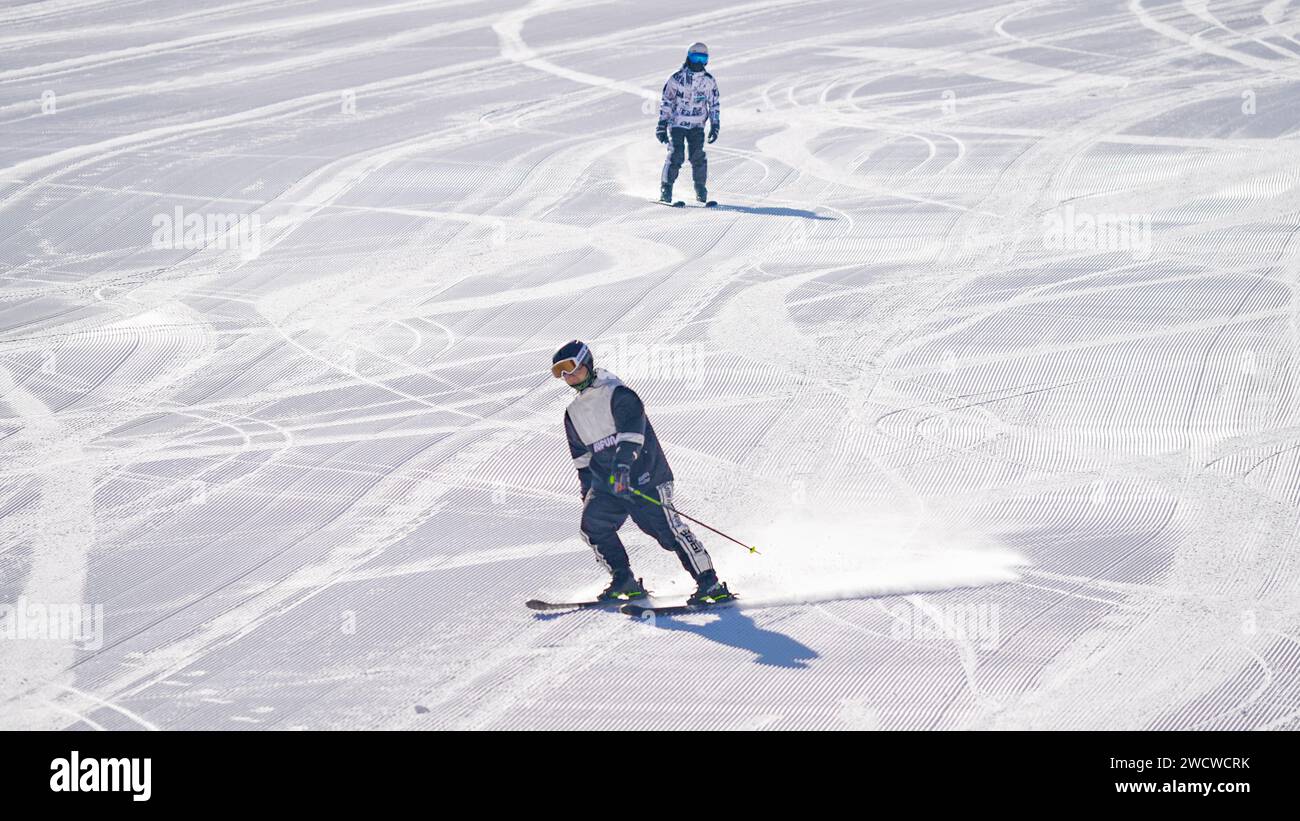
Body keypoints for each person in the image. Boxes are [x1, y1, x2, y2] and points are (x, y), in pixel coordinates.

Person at [551, 340, 733, 605]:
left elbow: (632, 435)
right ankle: (623, 579)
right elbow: (583, 459)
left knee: (665, 531)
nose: (568, 376)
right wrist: (588, 490)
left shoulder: (619, 393)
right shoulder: (573, 413)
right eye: (561, 373)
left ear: (586, 363)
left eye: (571, 368)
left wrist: (624, 468)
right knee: (593, 527)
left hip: (646, 476)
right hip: (609, 484)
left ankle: (710, 583)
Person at [656, 42, 720, 205]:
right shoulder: (677, 79)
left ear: (706, 61)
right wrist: (662, 125)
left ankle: (700, 189)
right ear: (688, 58)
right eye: (695, 57)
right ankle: (666, 188)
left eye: (702, 58)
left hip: (697, 125)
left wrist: (715, 124)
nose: (698, 62)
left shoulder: (708, 82)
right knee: (676, 154)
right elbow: (667, 102)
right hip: (677, 123)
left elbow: (714, 103)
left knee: (697, 156)